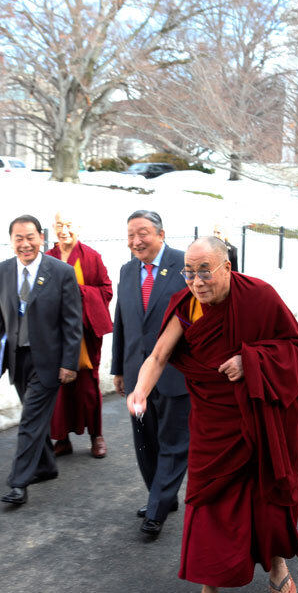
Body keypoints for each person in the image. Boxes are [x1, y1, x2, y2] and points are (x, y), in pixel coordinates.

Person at [126, 237, 298, 593]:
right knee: (206, 500)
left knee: (267, 492)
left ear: (227, 267)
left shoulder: (259, 296)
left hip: (260, 415)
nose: (196, 281)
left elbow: (294, 349)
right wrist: (140, 391)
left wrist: (252, 361)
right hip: (214, 420)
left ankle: (277, 566)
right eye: (189, 272)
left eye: (205, 271)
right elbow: (160, 353)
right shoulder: (188, 306)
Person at [0, 215, 83, 506]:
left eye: (30, 237)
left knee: (30, 419)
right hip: (17, 358)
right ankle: (45, 466)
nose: (25, 244)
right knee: (35, 417)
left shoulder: (61, 271)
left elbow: (72, 321)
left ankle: (19, 482)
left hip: (49, 361)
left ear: (41, 238)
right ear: (11, 241)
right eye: (18, 238)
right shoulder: (2, 271)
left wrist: (69, 362)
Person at [111, 210, 190, 537]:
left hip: (175, 373)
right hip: (136, 375)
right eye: (130, 235)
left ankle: (156, 509)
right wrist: (118, 368)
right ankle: (163, 495)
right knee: (145, 442)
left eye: (142, 233)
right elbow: (122, 323)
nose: (136, 241)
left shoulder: (184, 265)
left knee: (173, 442)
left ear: (160, 233)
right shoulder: (128, 271)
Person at [45, 212, 113, 458]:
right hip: (55, 333)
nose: (64, 230)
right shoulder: (47, 258)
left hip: (84, 331)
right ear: (53, 227)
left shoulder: (92, 257)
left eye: (69, 225)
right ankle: (62, 439)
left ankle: (96, 435)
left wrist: (80, 291)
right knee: (58, 387)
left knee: (87, 387)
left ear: (79, 228)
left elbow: (106, 290)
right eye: (59, 225)